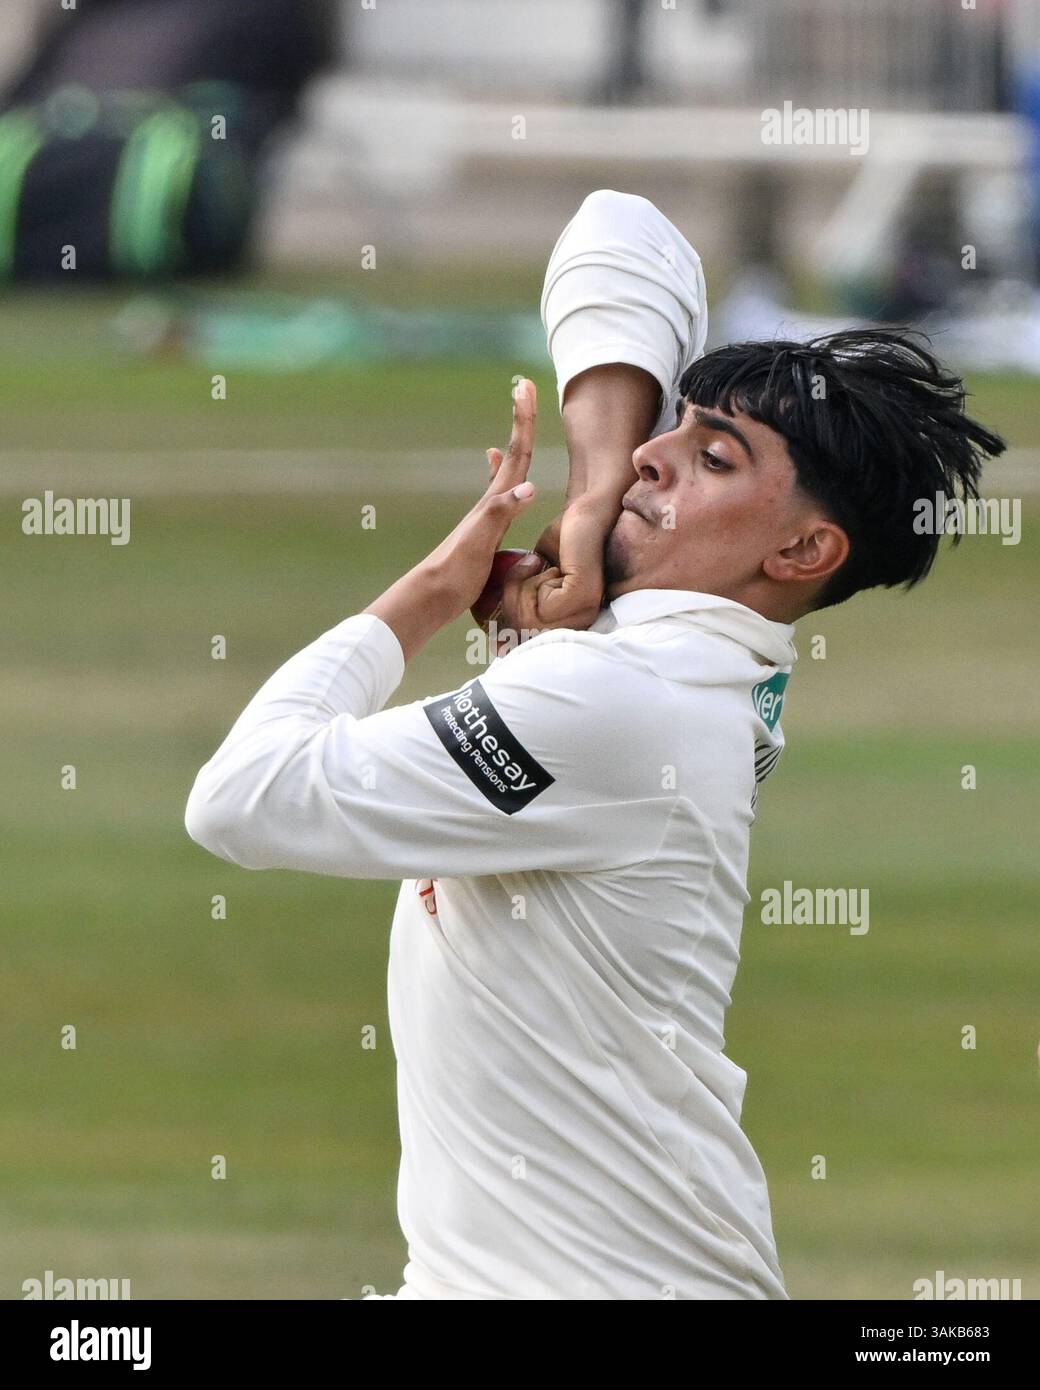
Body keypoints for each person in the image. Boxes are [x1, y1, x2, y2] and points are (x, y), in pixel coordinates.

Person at [184, 191, 1004, 1300]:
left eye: (711, 456)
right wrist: (590, 489)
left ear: (807, 547)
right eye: (671, 428)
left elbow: (242, 799)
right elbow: (620, 229)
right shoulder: (703, 650)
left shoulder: (619, 694)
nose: (653, 459)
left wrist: (437, 586)